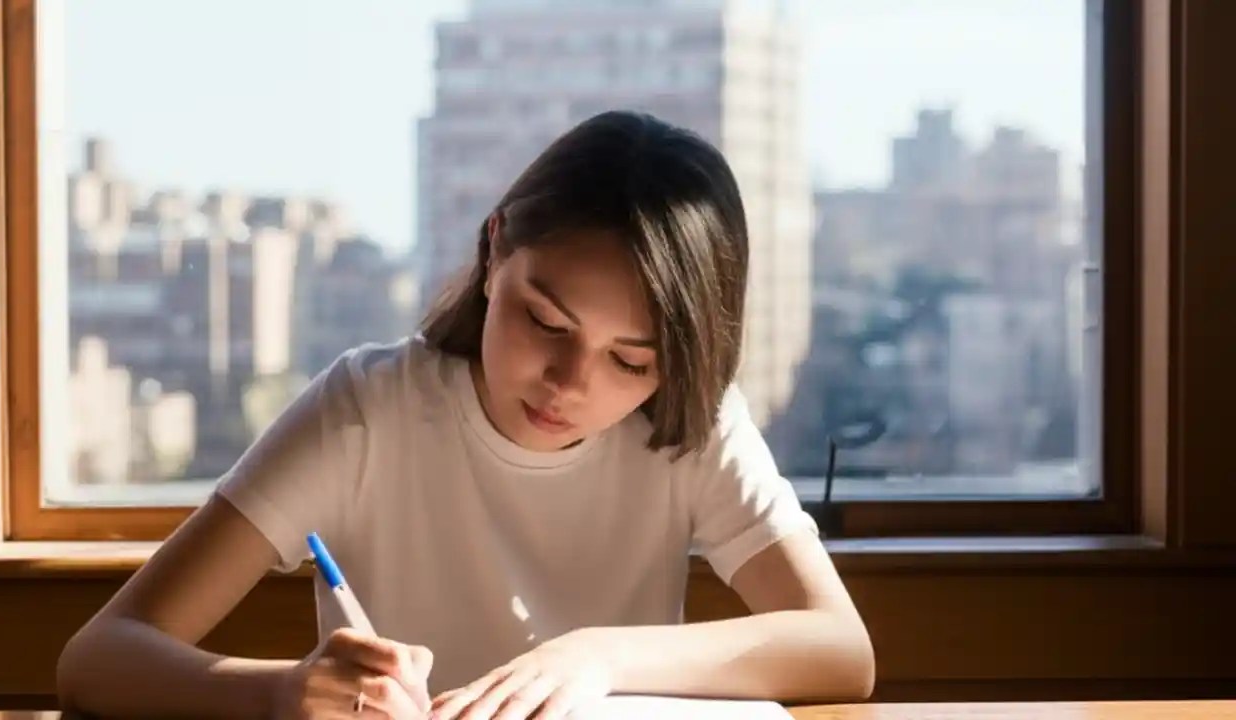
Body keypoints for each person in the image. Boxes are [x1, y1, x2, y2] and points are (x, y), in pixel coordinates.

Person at [56, 110, 875, 720]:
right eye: (546, 323)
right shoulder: (368, 411)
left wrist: (600, 656)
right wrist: (287, 690)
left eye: (631, 359)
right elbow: (96, 658)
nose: (568, 382)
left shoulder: (690, 425)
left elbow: (842, 650)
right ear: (493, 254)